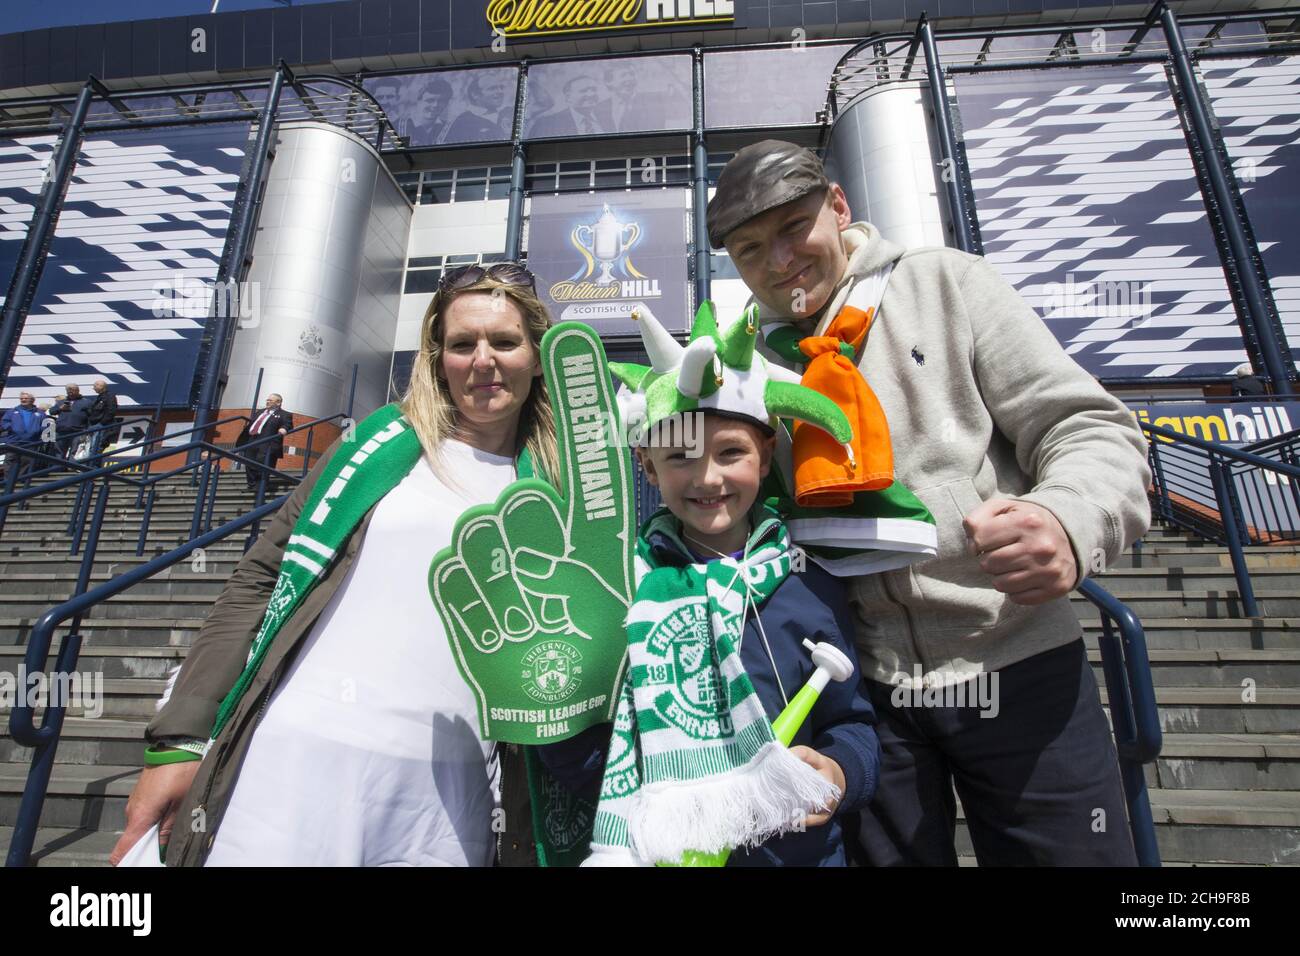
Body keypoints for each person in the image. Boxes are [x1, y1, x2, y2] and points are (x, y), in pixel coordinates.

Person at [706, 141, 1152, 866]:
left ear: (840, 206)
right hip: (862, 688)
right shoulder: (741, 362)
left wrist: (1068, 520)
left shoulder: (948, 283)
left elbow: (1086, 425)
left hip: (1020, 661)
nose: (780, 260)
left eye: (794, 227)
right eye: (751, 249)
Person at [108, 262, 558, 866]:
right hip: (292, 765)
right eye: (461, 344)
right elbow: (260, 579)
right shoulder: (375, 446)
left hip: (451, 795)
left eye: (504, 342)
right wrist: (179, 742)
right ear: (436, 356)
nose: (483, 361)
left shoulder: (562, 487)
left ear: (535, 353)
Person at [547, 304, 879, 867]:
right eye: (679, 457)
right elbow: (574, 730)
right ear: (647, 468)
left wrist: (840, 770)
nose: (707, 478)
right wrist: (673, 789)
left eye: (731, 452)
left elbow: (853, 721)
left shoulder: (810, 583)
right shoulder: (621, 587)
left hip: (797, 854)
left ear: (766, 453)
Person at [234, 393, 293, 490]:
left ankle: (261, 486)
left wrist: (284, 429)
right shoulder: (259, 412)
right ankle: (252, 485)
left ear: (278, 403)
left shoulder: (284, 414)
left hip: (267, 442)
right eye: (267, 400)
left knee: (263, 463)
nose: (268, 402)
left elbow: (287, 424)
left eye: (270, 400)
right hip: (252, 440)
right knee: (249, 463)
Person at [527, 73, 612, 138]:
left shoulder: (610, 117)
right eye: (584, 91)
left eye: (594, 89)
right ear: (568, 97)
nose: (591, 94)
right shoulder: (547, 124)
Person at [444, 71, 511, 143]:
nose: (500, 91)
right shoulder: (462, 121)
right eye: (492, 88)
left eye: (501, 87)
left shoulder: (508, 112)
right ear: (475, 95)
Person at [0, 391, 47, 475]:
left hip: (31, 442)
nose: (23, 400)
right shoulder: (12, 411)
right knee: (9, 461)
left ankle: (19, 482)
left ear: (32, 400)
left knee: (26, 462)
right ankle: (8, 482)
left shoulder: (40, 413)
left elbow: (45, 424)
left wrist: (38, 430)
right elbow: (4, 422)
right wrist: (11, 427)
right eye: (22, 398)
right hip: (14, 441)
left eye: (26, 398)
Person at [46, 384, 93, 459]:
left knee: (74, 453)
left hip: (78, 431)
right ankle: (58, 469)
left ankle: (72, 468)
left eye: (72, 390)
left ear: (78, 390)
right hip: (61, 431)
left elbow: (91, 417)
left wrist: (88, 430)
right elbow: (52, 411)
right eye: (68, 390)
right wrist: (60, 408)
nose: (70, 391)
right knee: (59, 453)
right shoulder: (62, 402)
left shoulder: (86, 402)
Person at [88, 379, 119, 450]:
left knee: (96, 447)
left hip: (101, 426)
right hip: (94, 425)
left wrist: (102, 423)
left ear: (101, 386)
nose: (93, 388)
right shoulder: (99, 397)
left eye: (95, 386)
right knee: (91, 447)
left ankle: (94, 461)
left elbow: (111, 411)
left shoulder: (109, 396)